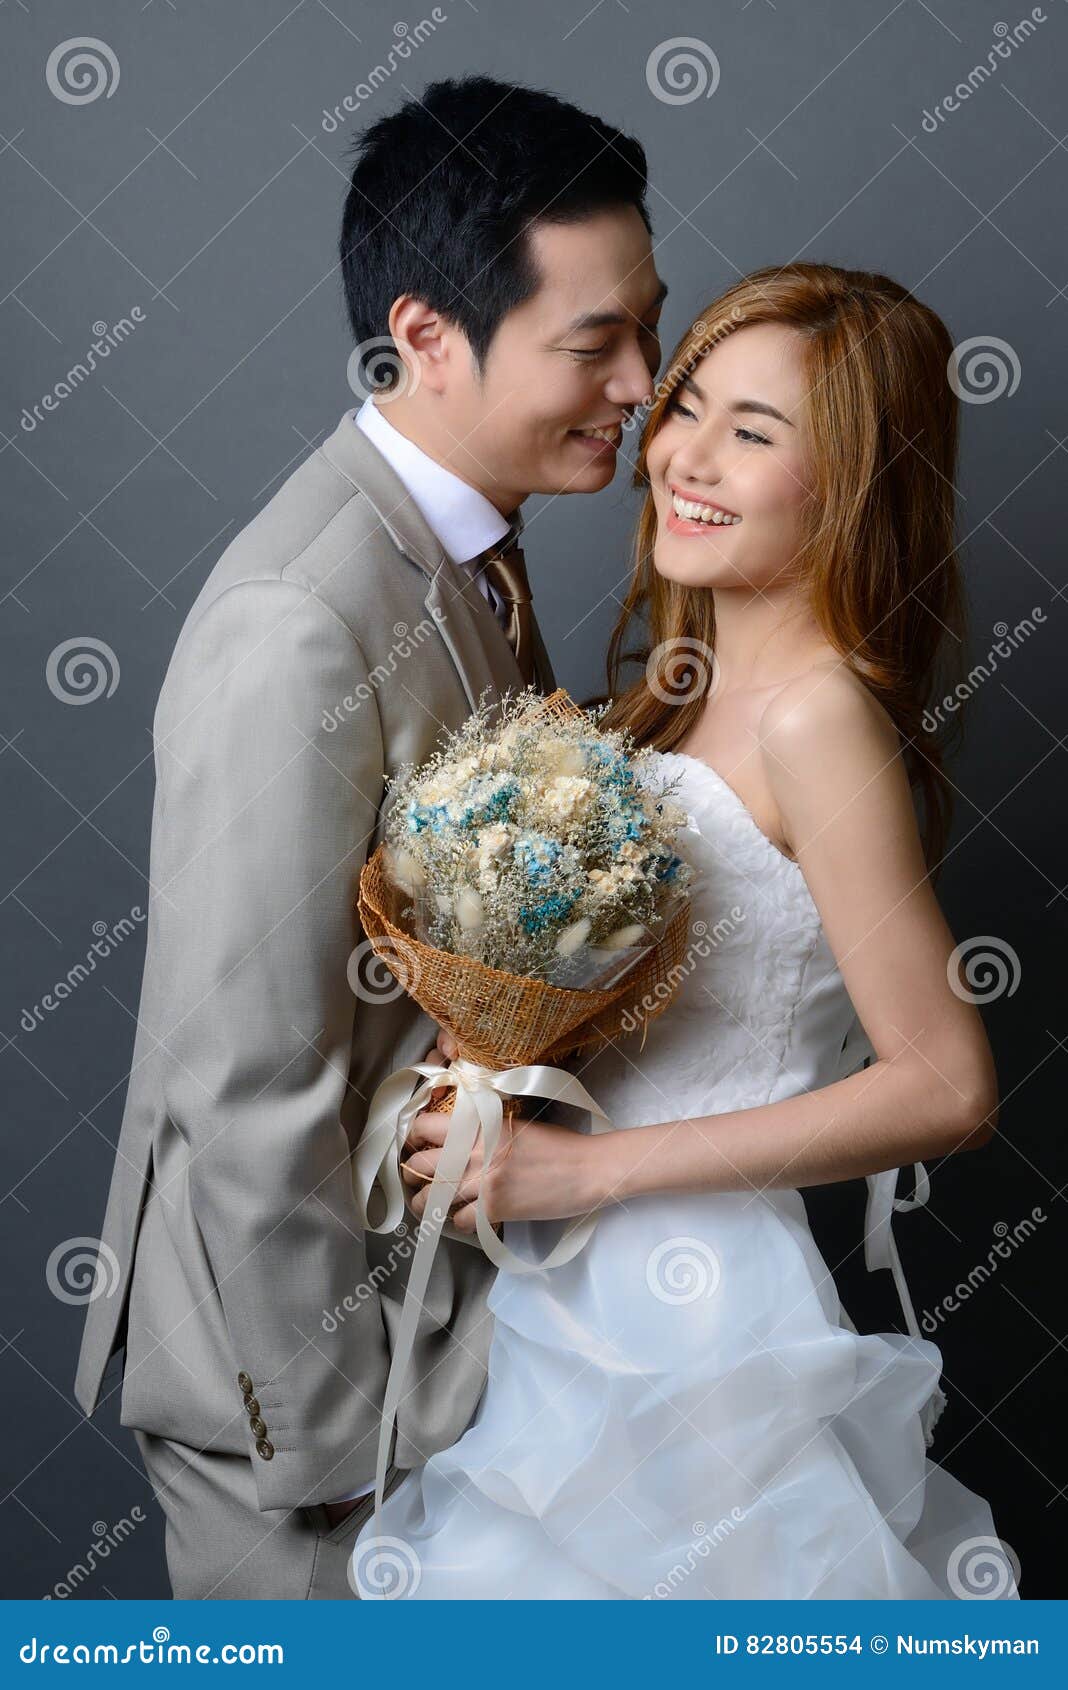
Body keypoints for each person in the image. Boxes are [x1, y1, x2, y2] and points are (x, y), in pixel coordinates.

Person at [73, 75, 665, 1600]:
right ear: (424, 340)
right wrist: (339, 1435)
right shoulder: (297, 618)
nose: (642, 383)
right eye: (594, 344)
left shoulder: (476, 547)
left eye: (647, 329)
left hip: (450, 1333)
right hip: (302, 1402)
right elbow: (245, 1076)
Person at [370, 263, 1020, 1600]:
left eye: (758, 432)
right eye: (688, 405)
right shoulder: (682, 696)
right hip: (564, 1305)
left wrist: (585, 1175)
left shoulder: (817, 719)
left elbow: (948, 1082)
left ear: (852, 484)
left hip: (696, 1329)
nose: (686, 456)